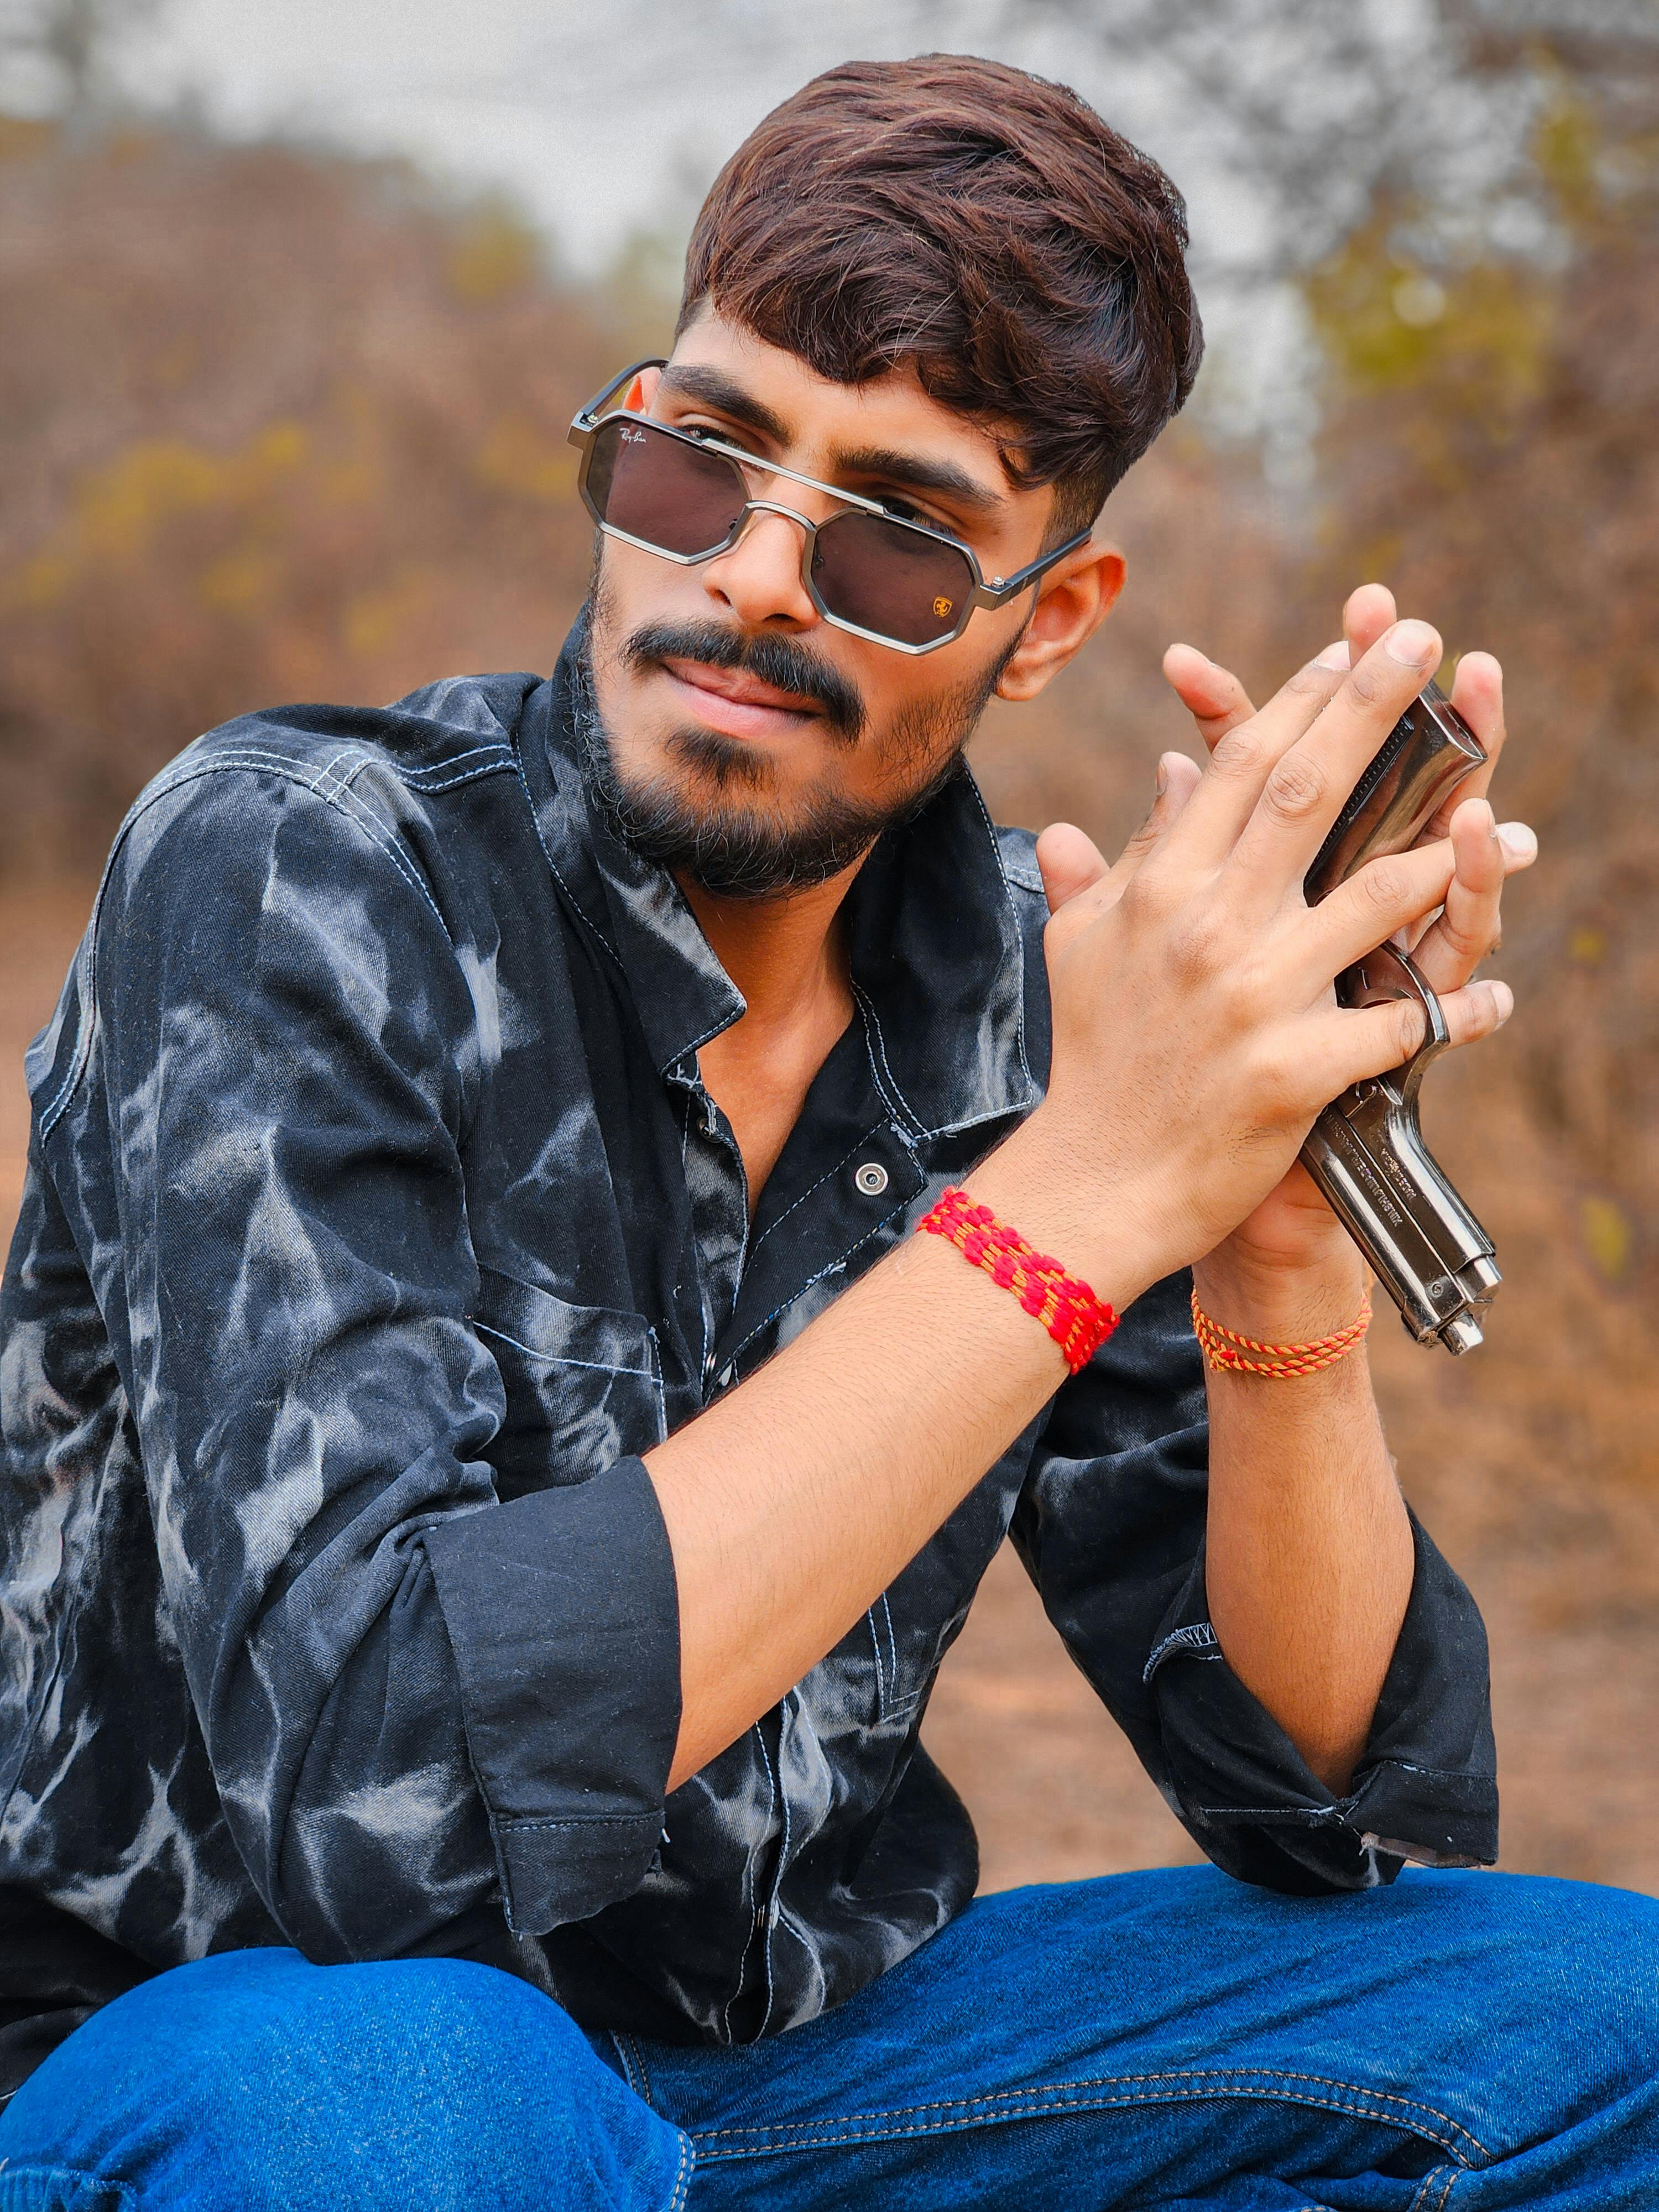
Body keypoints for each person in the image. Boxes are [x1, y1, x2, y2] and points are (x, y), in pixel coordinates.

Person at [0, 49, 1653, 2212]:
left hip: (782, 2069)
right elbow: (373, 1803)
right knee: (425, 2103)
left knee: (1593, 2021)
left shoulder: (1032, 995)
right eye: (699, 460)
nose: (759, 576)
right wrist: (1082, 1193)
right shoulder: (301, 871)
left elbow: (1336, 1811)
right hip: (238, 2052)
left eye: (893, 535)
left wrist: (1266, 1248)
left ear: (1049, 617)